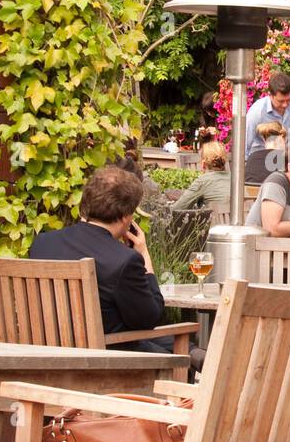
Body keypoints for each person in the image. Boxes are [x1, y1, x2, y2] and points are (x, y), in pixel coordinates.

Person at [27, 166, 171, 353]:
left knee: (175, 344)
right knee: (179, 355)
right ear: (126, 217)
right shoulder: (124, 260)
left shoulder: (42, 243)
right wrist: (143, 254)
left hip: (46, 352)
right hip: (100, 359)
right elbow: (149, 319)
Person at [245, 138, 290, 237]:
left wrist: (288, 230)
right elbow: (272, 231)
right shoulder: (276, 183)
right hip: (259, 248)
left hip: (289, 248)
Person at [172, 141, 231, 210]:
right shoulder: (236, 179)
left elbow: (178, 208)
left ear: (203, 162)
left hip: (216, 220)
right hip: (241, 219)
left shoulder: (203, 181)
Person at [244, 120, 287, 185]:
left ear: (264, 140)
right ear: (281, 138)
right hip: (274, 194)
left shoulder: (252, 157)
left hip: (250, 194)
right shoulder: (285, 159)